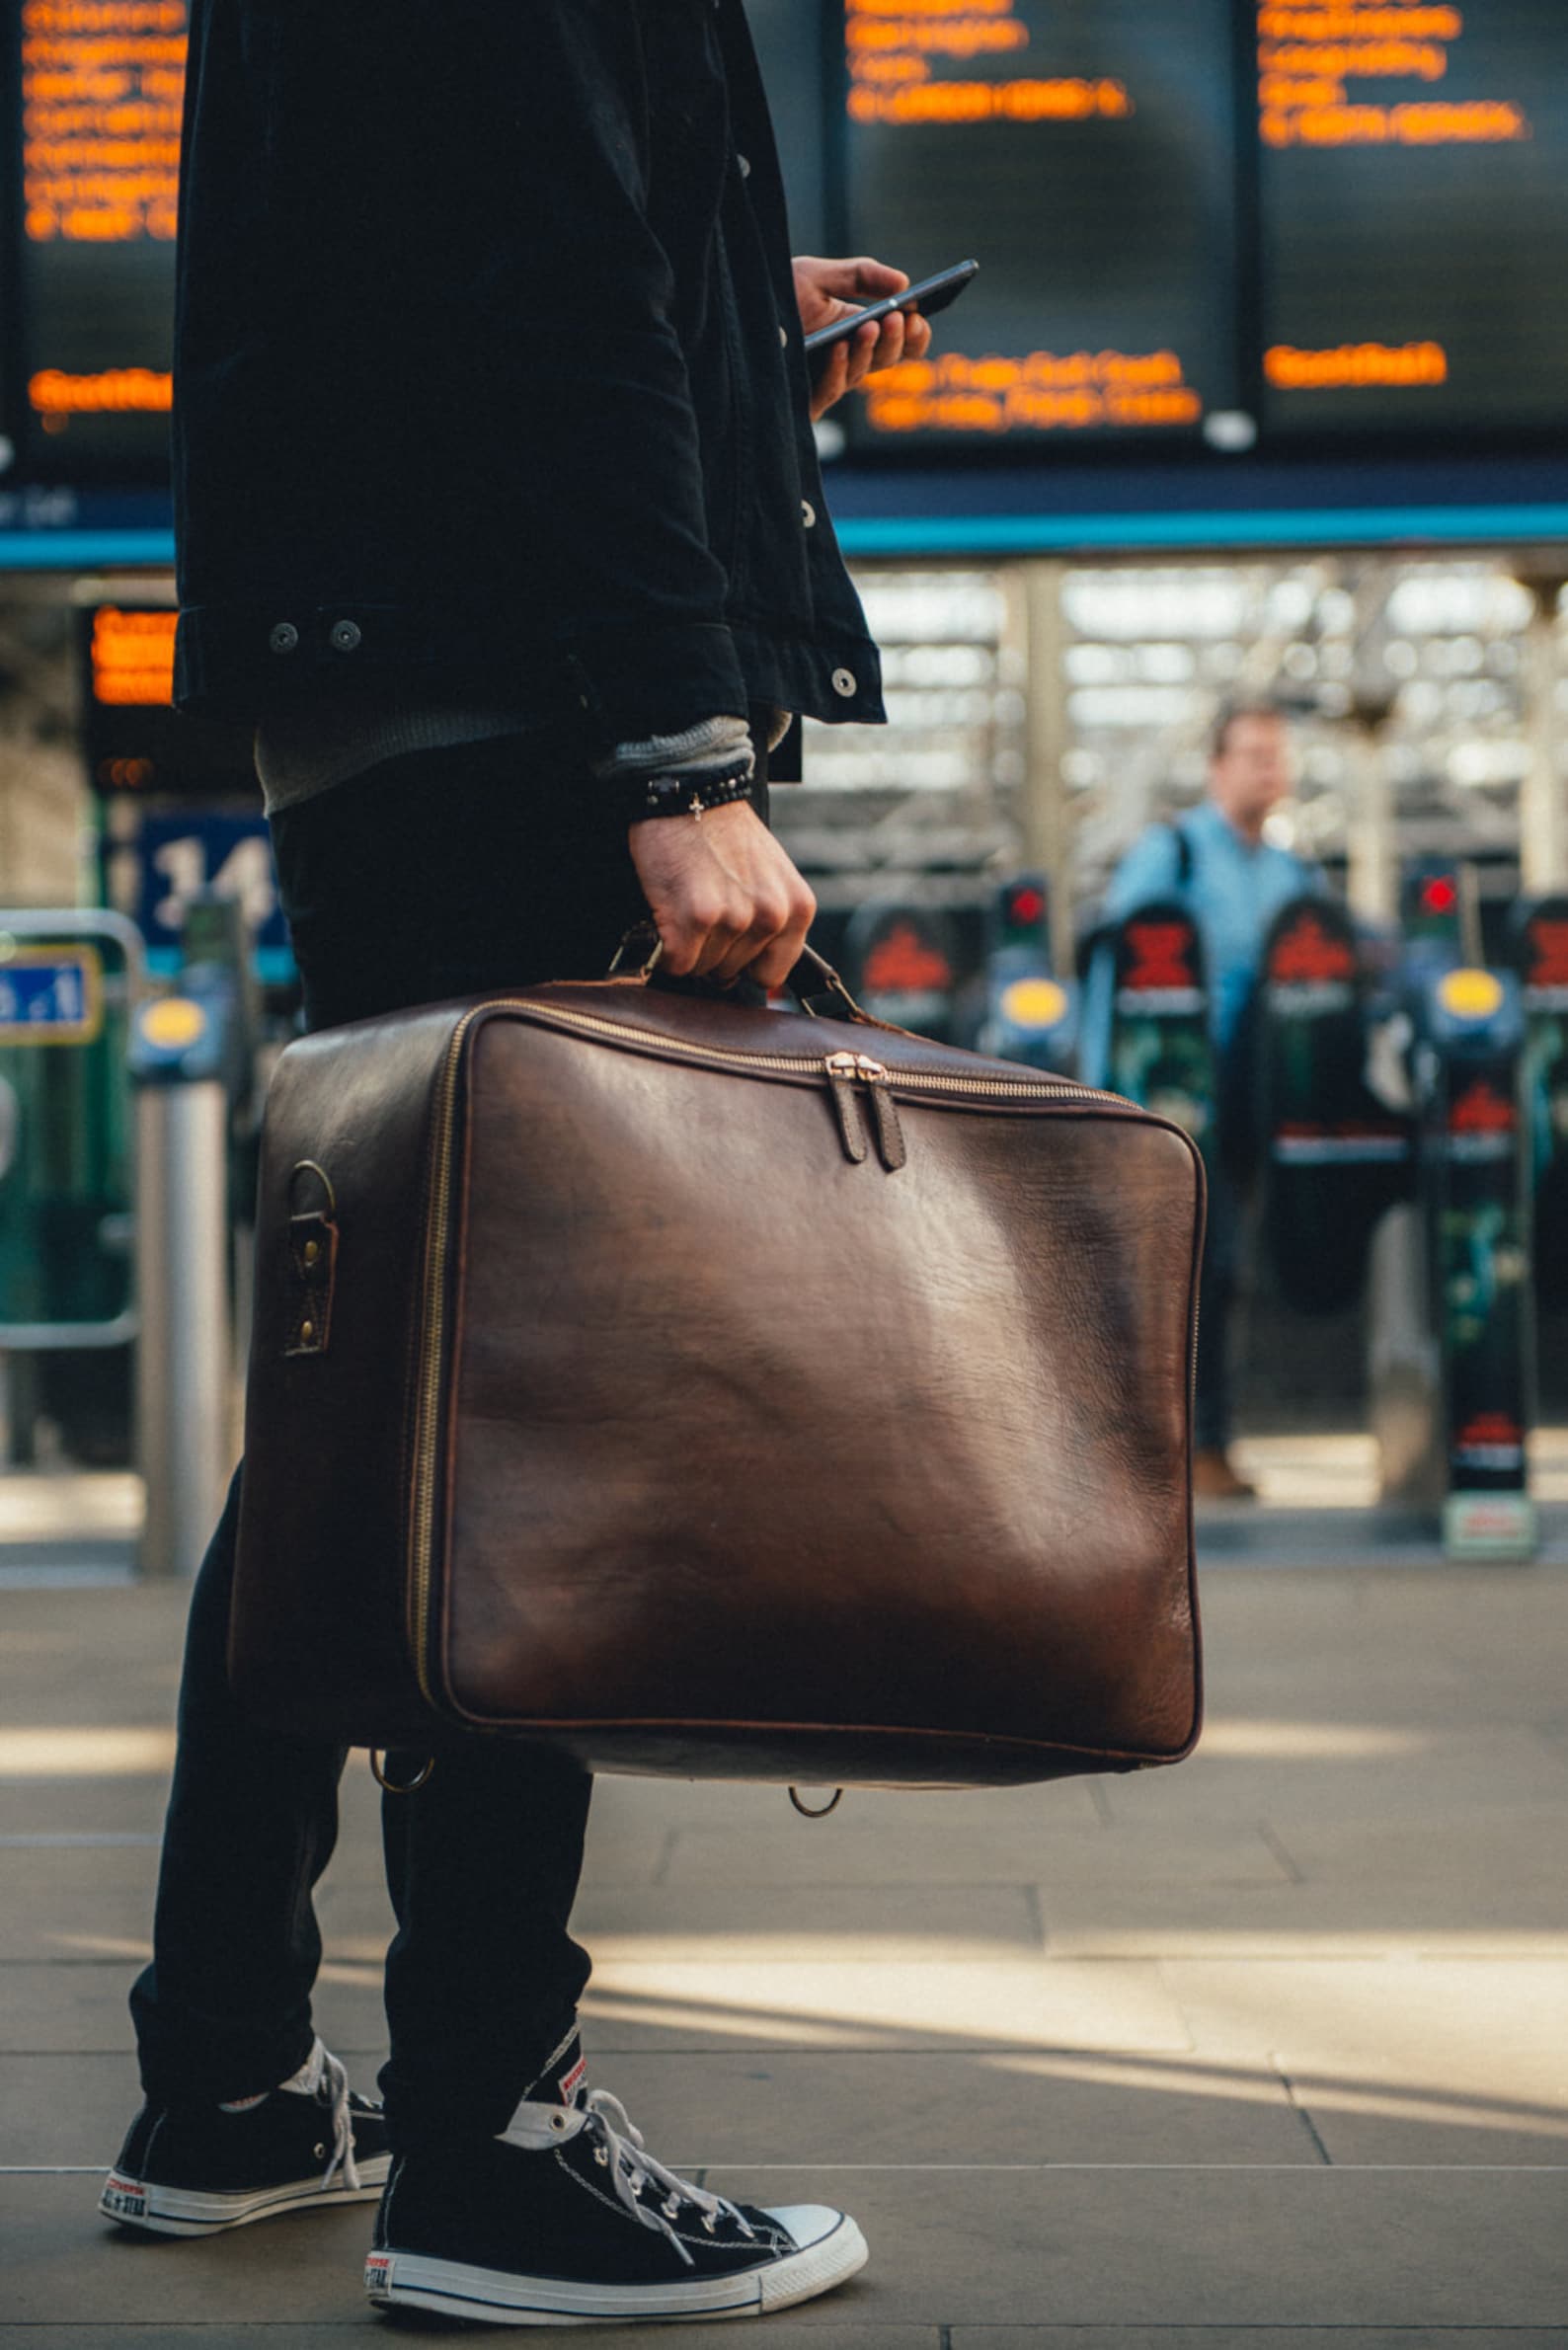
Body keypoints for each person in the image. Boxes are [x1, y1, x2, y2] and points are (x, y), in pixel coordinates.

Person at [102, 1, 932, 2326]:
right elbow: (544, 272)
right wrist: (677, 752)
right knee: (523, 1409)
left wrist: (726, 332)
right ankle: (492, 2134)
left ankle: (230, 2076)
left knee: (374, 1407)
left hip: (394, 692)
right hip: (516, 720)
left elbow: (465, 241)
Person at [1081, 701, 1322, 1501]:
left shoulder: (1296, 875)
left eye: (1276, 755)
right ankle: (1177, 1445)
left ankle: (1209, 1441)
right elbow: (1114, 972)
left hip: (1262, 1102)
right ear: (1217, 768)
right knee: (1188, 1271)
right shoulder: (1172, 854)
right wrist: (1101, 1088)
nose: (1268, 769)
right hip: (1181, 1106)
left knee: (1230, 1267)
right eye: (1253, 754)